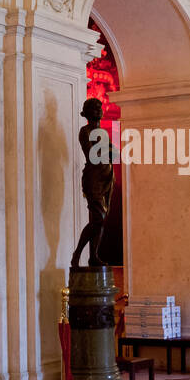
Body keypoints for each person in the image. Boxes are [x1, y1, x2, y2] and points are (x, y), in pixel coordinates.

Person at [71, 98, 115, 267]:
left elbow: (115, 155)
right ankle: (77, 253)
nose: (99, 110)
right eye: (95, 108)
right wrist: (108, 150)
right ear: (87, 112)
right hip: (93, 178)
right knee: (99, 218)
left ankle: (93, 256)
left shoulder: (104, 133)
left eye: (100, 107)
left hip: (108, 178)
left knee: (101, 221)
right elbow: (92, 155)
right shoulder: (85, 131)